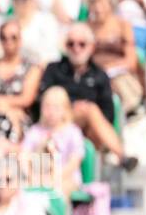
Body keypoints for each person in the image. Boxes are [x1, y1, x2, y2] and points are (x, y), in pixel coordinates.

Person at [38, 24, 134, 169]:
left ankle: (117, 155)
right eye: (71, 44)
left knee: (91, 111)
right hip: (55, 124)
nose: (76, 48)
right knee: (89, 109)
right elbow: (42, 100)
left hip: (91, 131)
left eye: (82, 44)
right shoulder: (53, 69)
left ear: (91, 47)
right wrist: (70, 108)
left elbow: (108, 115)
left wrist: (86, 115)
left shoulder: (100, 75)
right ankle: (121, 156)